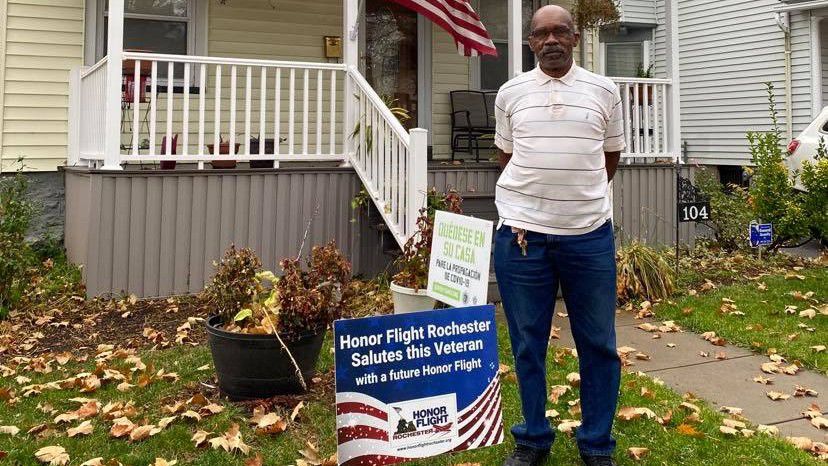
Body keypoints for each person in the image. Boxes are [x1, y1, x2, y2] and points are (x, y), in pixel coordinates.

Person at [492, 5, 624, 466]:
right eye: (540, 34)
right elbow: (506, 156)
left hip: (588, 236)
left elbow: (610, 157)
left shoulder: (604, 91)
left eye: (559, 32)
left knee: (599, 344)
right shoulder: (510, 94)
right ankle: (532, 438)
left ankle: (596, 443)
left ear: (575, 38)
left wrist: (577, 197)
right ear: (529, 42)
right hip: (522, 236)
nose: (550, 40)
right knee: (527, 342)